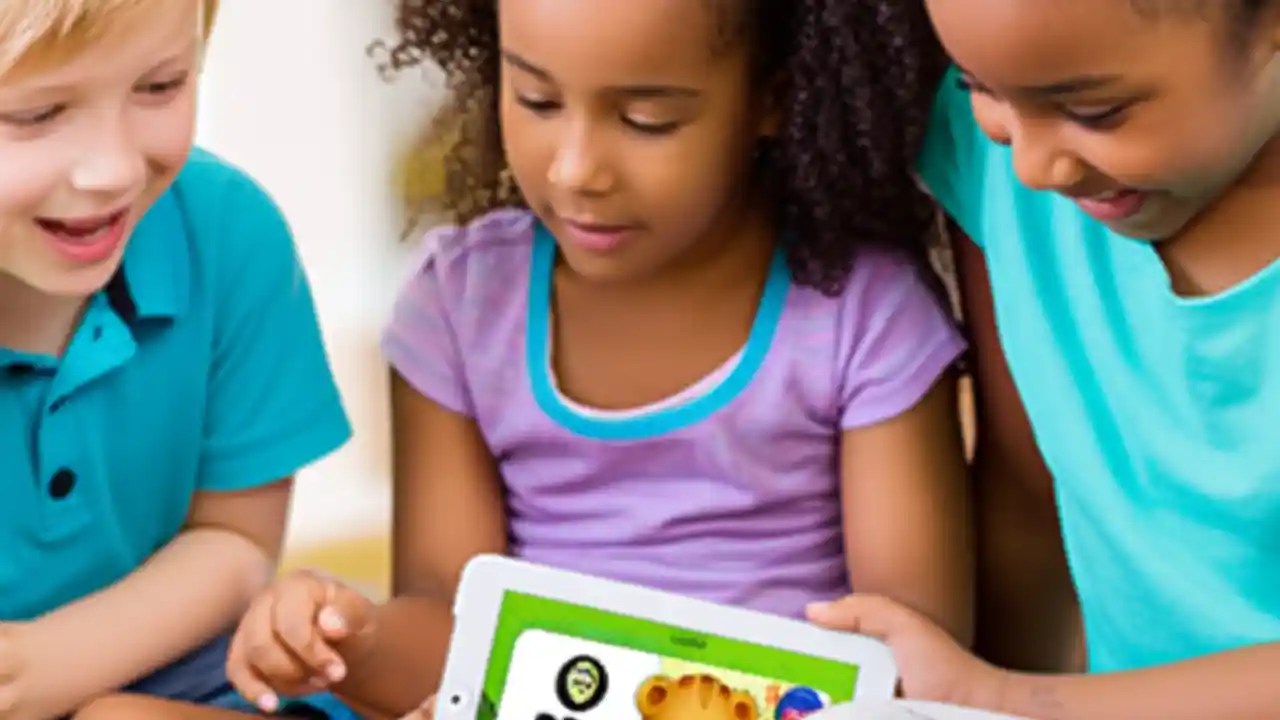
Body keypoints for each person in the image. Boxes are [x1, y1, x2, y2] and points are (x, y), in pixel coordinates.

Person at [222, 0, 972, 717]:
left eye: (647, 120)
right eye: (538, 101)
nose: (575, 170)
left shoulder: (864, 316)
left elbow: (909, 659)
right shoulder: (461, 305)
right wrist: (345, 636)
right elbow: (452, 642)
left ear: (773, 98)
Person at [807, 1, 1280, 718]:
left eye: (1096, 112)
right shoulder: (1001, 158)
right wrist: (976, 707)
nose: (1030, 166)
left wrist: (1011, 700)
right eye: (980, 88)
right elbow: (1026, 492)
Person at [0, 0, 352, 717]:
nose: (112, 170)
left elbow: (234, 539)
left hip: (194, 690)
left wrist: (40, 669)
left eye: (160, 86)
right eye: (36, 115)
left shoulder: (225, 232)